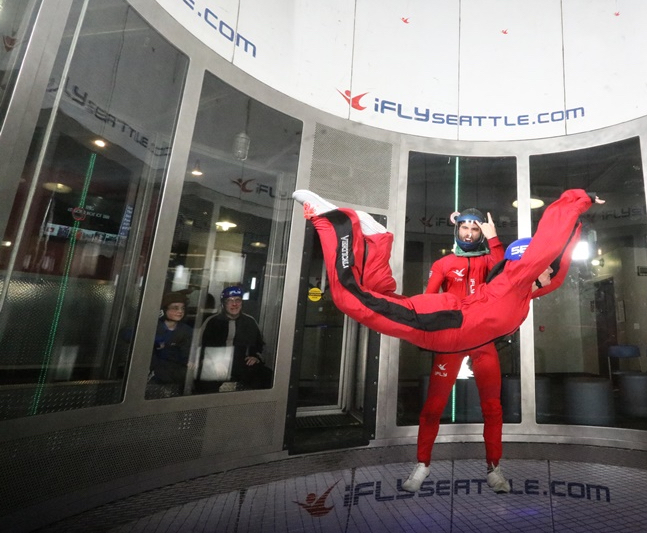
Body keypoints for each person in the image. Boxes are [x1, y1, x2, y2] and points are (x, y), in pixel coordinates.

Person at [290, 188, 602, 355]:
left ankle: (375, 239)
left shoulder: (526, 291)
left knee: (380, 296)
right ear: (528, 264)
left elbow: (557, 271)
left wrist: (577, 228)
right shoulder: (517, 280)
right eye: (545, 267)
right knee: (350, 300)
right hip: (446, 323)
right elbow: (548, 246)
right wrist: (578, 201)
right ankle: (329, 220)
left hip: (445, 324)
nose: (552, 273)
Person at [407, 207, 509, 493]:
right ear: (457, 229)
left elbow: (506, 278)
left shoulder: (490, 258)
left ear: (481, 233)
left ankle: (494, 467)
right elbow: (427, 300)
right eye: (465, 228)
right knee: (432, 408)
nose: (469, 233)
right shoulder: (443, 263)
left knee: (492, 407)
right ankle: (422, 464)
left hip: (482, 341)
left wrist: (495, 239)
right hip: (451, 342)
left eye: (475, 229)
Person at [196, 286, 273, 391]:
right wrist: (214, 362)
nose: (234, 304)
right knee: (206, 384)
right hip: (214, 363)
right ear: (223, 303)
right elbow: (200, 346)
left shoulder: (249, 322)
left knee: (267, 376)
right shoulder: (212, 321)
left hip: (241, 363)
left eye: (238, 300)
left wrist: (256, 357)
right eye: (230, 301)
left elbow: (261, 344)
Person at [149, 292, 193, 395]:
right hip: (153, 377)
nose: (180, 311)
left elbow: (186, 354)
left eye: (182, 308)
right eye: (175, 308)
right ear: (164, 310)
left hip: (174, 377)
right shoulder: (153, 327)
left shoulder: (186, 330)